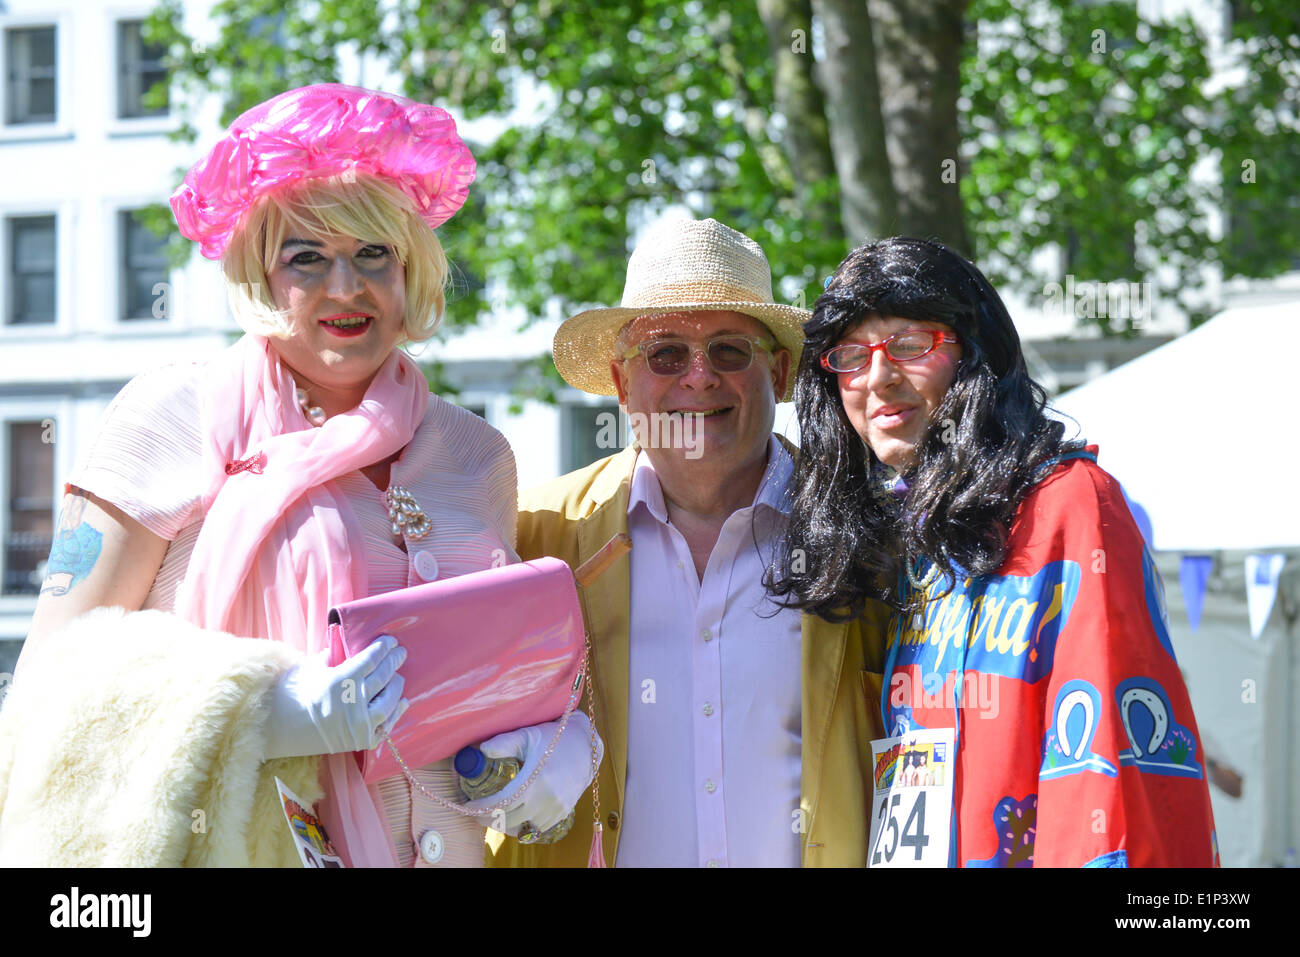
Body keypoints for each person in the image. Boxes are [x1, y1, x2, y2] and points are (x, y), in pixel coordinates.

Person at [0, 84, 595, 868]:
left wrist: (553, 742)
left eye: (372, 254)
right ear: (259, 271)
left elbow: (493, 678)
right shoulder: (169, 414)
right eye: (305, 258)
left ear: (410, 266)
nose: (344, 288)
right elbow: (49, 690)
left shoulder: (478, 454)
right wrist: (267, 711)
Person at [770, 237, 1218, 867]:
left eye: (910, 344)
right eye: (850, 355)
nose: (877, 377)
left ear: (974, 354)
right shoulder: (898, 537)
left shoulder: (1071, 503)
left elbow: (1108, 770)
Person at [489, 217, 889, 868]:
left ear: (781, 373)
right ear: (622, 385)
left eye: (730, 350)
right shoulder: (535, 537)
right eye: (665, 353)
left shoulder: (865, 532)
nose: (699, 377)